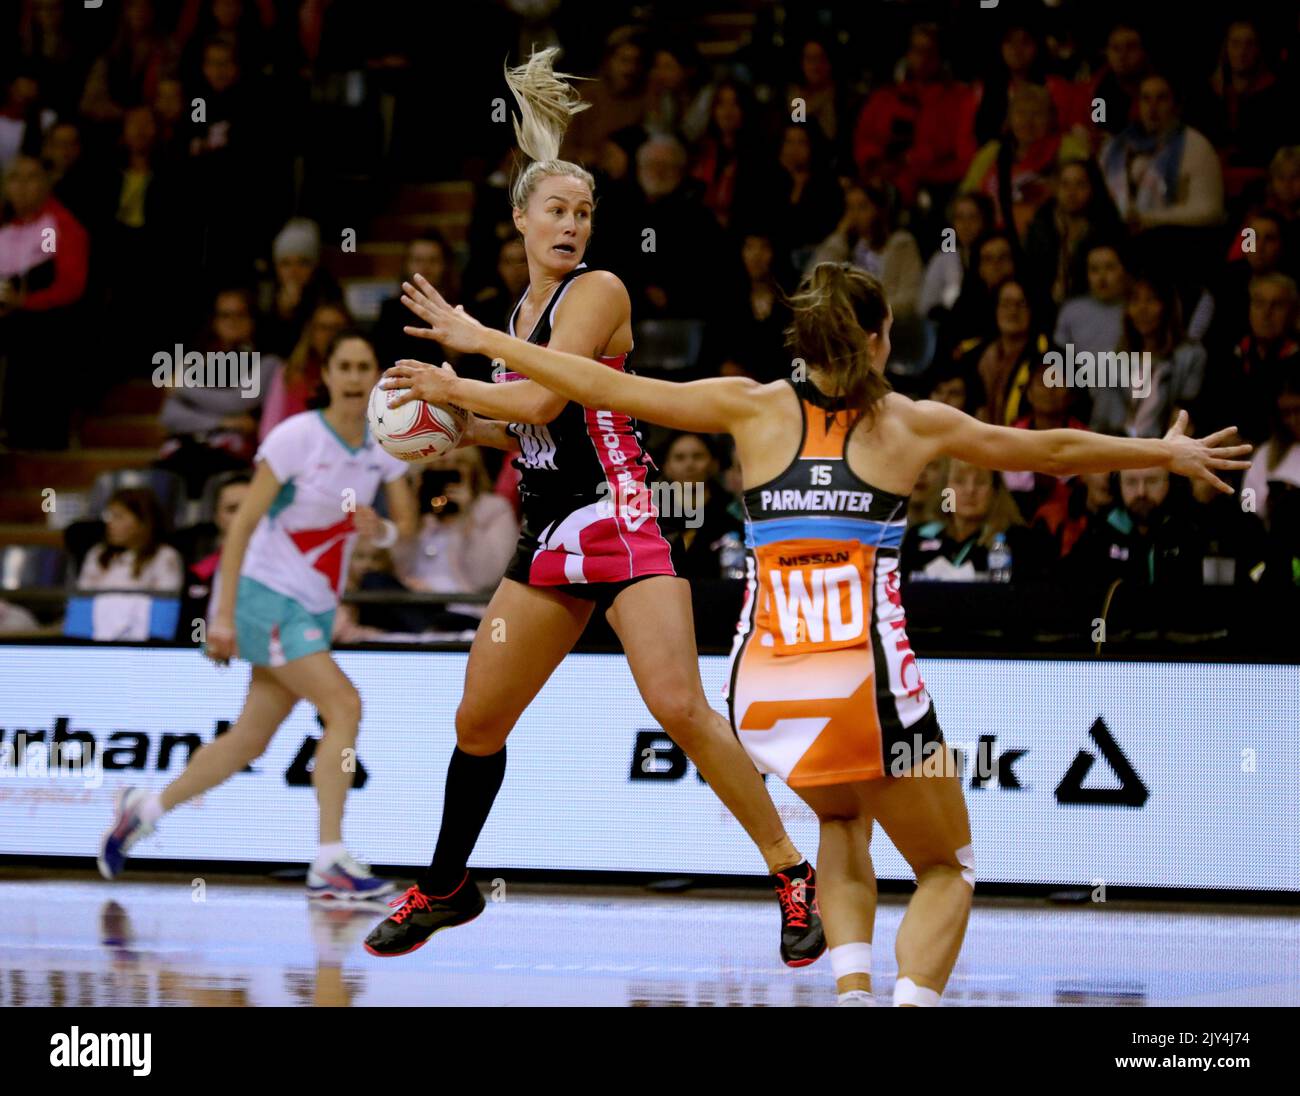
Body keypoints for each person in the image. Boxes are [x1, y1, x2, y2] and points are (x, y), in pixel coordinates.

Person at [399, 261, 1250, 1005]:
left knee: (842, 829)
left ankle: (850, 990)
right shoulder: (913, 423)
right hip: (867, 689)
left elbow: (602, 387)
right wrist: (1161, 456)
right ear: (881, 341)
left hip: (766, 697)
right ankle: (907, 1006)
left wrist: (481, 342)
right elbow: (1054, 449)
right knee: (949, 869)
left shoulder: (750, 407)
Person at [364, 48, 824, 966]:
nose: (572, 224)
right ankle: (448, 887)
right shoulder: (515, 312)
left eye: (584, 212)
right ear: (522, 221)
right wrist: (456, 421)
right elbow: (526, 433)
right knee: (476, 722)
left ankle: (790, 872)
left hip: (618, 520)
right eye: (557, 211)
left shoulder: (597, 292)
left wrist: (464, 363)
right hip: (546, 535)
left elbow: (540, 400)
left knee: (681, 707)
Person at [98, 330, 419, 899]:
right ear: (326, 377)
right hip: (265, 596)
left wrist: (384, 531)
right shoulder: (295, 437)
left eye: (362, 366)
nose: (352, 376)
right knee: (344, 705)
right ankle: (329, 858)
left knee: (250, 740)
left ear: (375, 377)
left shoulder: (383, 442)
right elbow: (242, 523)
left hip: (315, 605)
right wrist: (220, 618)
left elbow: (406, 532)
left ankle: (144, 807)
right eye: (342, 365)